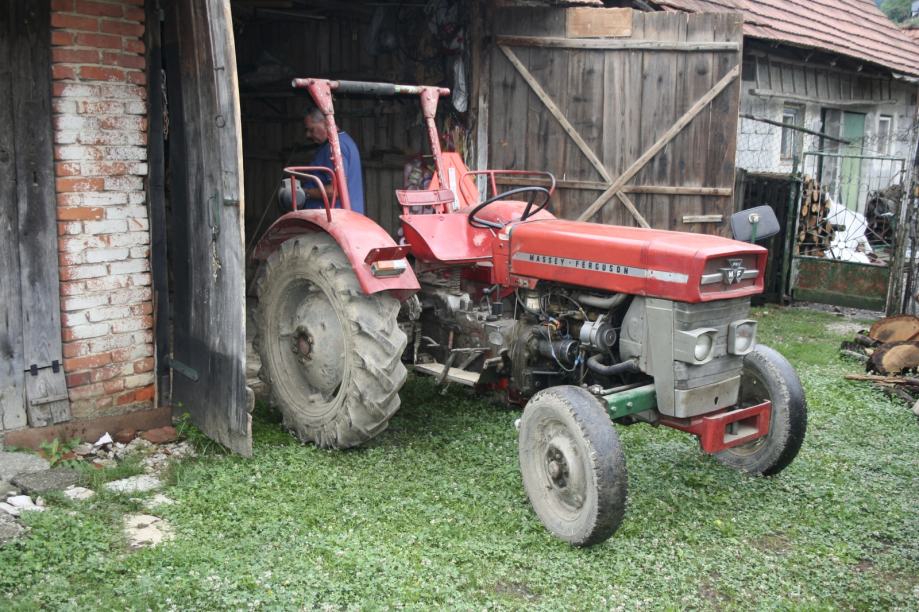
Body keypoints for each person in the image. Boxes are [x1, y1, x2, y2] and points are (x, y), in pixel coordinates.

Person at [300, 108, 365, 214]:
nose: (308, 135)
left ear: (326, 123)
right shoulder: (344, 141)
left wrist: (304, 192)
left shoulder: (334, 147)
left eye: (312, 130)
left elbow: (335, 190)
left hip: (336, 217)